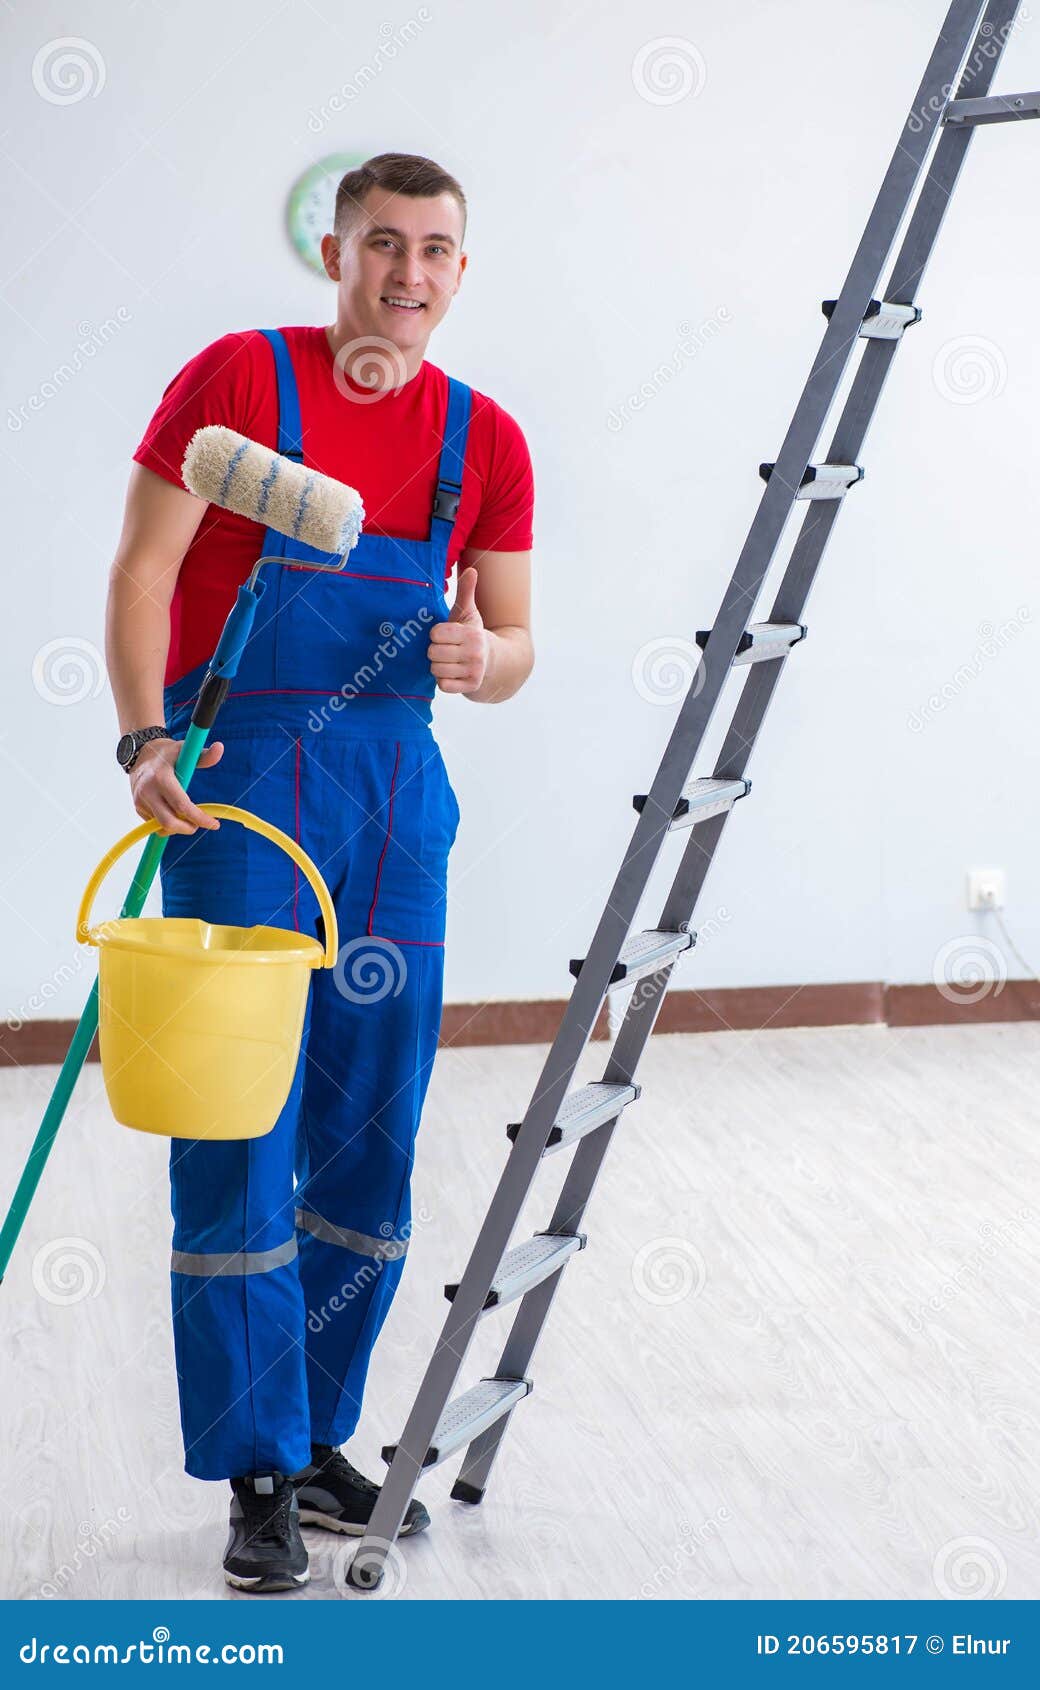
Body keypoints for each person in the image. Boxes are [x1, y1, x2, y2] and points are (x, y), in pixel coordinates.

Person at [104, 152, 535, 1593]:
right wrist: (145, 736)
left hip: (394, 802)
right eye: (382, 246)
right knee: (241, 1122)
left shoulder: (487, 440)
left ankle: (321, 1431)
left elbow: (517, 636)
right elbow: (143, 572)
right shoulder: (239, 380)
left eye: (436, 251)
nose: (408, 274)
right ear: (335, 252)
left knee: (370, 1129)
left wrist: (491, 658)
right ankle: (254, 1466)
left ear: (460, 271)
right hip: (236, 790)